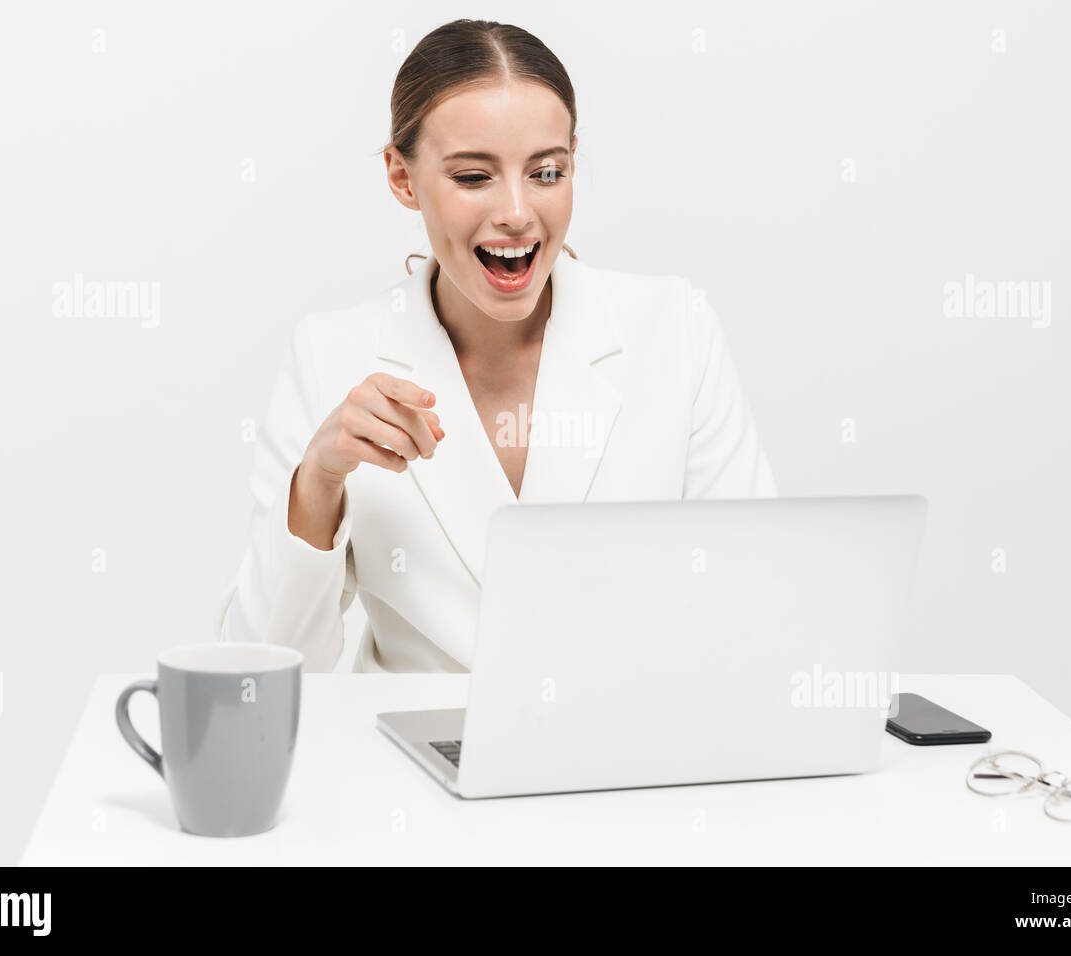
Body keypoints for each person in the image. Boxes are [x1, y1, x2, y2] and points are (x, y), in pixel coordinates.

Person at [217, 18, 776, 672]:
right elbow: (257, 675)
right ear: (401, 177)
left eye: (546, 172)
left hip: (627, 755)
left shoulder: (674, 327)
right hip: (413, 762)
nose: (516, 211)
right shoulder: (330, 353)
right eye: (474, 177)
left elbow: (753, 605)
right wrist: (316, 484)